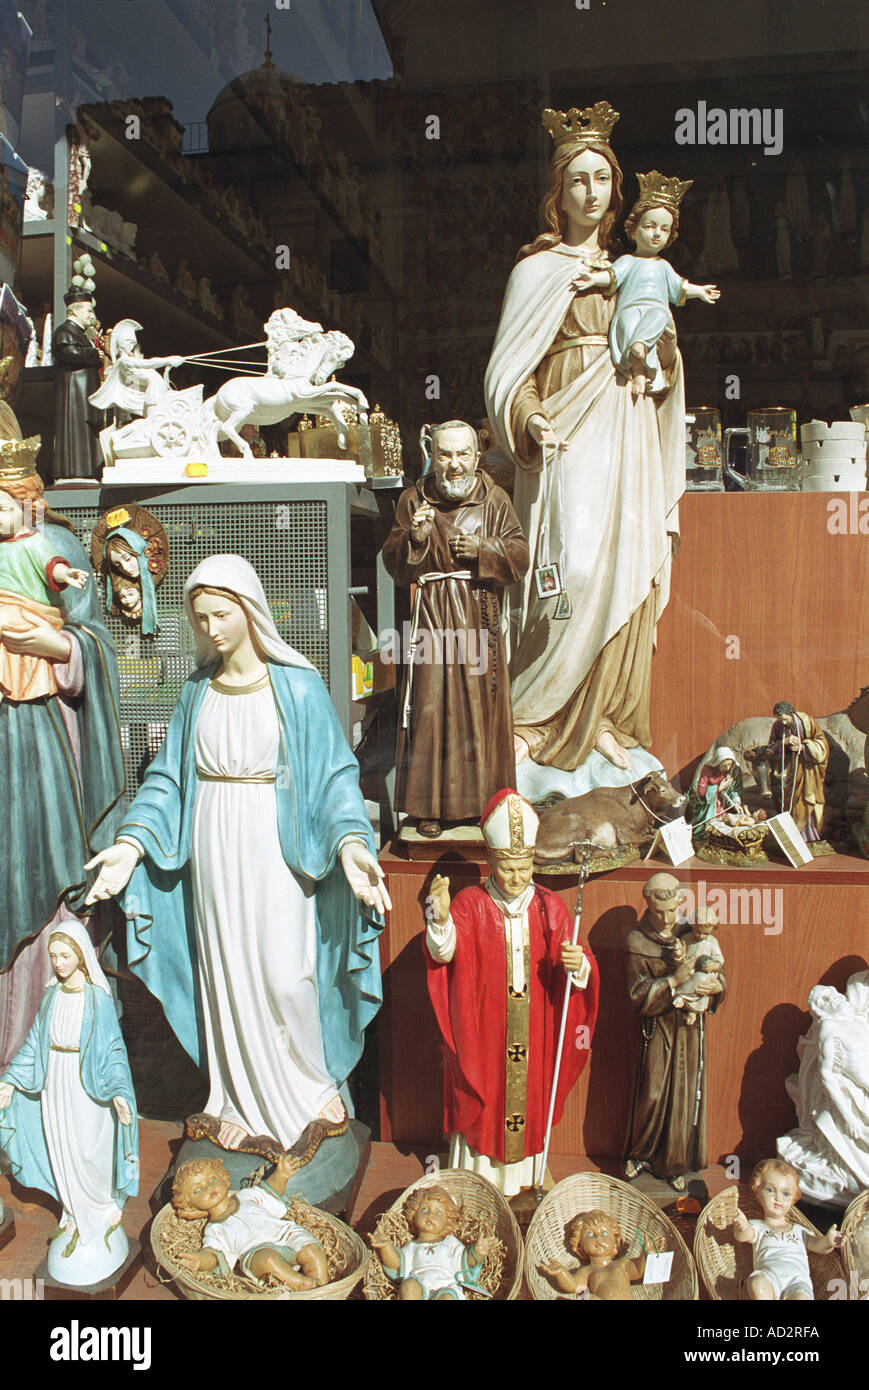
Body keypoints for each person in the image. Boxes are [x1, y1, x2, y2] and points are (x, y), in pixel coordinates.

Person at [84, 555, 389, 1156]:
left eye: (222, 614)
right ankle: (234, 1099)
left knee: (284, 972)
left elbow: (333, 779)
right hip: (213, 844)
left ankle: (309, 1088)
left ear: (251, 612)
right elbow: (167, 779)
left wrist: (353, 847)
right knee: (225, 971)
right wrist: (129, 843)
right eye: (200, 619)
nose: (212, 628)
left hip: (275, 847)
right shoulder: (197, 692)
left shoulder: (296, 688)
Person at [484, 102, 685, 779]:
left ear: (614, 190)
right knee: (566, 570)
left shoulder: (636, 267)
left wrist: (658, 353)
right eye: (577, 179)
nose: (590, 191)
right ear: (557, 192)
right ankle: (532, 720)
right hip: (565, 434)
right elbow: (510, 371)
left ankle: (601, 720)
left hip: (625, 423)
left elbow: (665, 357)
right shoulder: (536, 272)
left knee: (625, 562)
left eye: (601, 178)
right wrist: (531, 416)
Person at [0, 449, 124, 1068]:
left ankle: (44, 1065)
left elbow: (97, 642)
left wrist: (54, 644)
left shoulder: (56, 549)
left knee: (41, 873)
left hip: (40, 738)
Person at [425, 788, 599, 1196]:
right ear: (491, 861)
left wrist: (580, 966)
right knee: (486, 1097)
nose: (517, 877)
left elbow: (575, 962)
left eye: (524, 868)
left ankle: (526, 1178)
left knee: (528, 1097)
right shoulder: (470, 903)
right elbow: (443, 952)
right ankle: (480, 1180)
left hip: (534, 1028)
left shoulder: (549, 906)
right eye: (507, 869)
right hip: (486, 1031)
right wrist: (440, 917)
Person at [380, 420, 529, 837]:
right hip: (431, 615)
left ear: (477, 456)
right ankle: (429, 808)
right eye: (445, 454)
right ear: (432, 454)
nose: (454, 464)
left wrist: (483, 549)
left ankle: (485, 803)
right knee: (429, 707)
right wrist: (416, 537)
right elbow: (392, 561)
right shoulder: (414, 498)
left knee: (479, 709)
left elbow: (519, 556)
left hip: (478, 614)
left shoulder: (495, 499)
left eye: (463, 454)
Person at [0, 921, 138, 1285]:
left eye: (65, 955)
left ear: (80, 956)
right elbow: (33, 1043)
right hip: (55, 1083)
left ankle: (99, 1210)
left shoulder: (97, 998)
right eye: (53, 956)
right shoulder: (52, 995)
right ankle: (75, 1214)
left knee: (87, 1151)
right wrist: (11, 1081)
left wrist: (121, 1094)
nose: (59, 963)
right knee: (61, 1148)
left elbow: (112, 1051)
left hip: (88, 1087)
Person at [572, 173, 720, 396]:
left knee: (659, 317)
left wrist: (699, 291)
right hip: (630, 310)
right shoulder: (628, 261)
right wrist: (593, 278)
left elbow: (679, 287)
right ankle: (639, 371)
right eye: (650, 226)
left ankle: (640, 355)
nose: (656, 234)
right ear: (633, 229)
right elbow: (612, 276)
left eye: (664, 229)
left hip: (655, 312)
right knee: (629, 323)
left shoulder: (663, 267)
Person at [624, 873, 726, 1191]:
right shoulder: (637, 941)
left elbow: (721, 972)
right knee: (652, 1093)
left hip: (689, 1028)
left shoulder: (692, 931)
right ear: (648, 906)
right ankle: (640, 1154)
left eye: (672, 910)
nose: (667, 919)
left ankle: (676, 1164)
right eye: (659, 912)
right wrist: (674, 981)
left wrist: (716, 985)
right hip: (657, 1029)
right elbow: (636, 995)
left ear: (680, 903)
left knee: (684, 1094)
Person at [171, 1154, 328, 1290]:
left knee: (311, 1251)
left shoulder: (246, 1196)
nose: (208, 1187)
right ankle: (299, 1284)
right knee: (266, 1260)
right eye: (197, 1190)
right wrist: (199, 1260)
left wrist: (282, 1174)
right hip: (257, 1251)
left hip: (286, 1235)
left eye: (212, 1179)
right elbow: (213, 1255)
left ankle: (324, 1289)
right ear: (189, 1205)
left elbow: (271, 1190)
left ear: (223, 1178)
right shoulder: (215, 1230)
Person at [0, 485, 89, 699]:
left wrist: (66, 574)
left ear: (26, 509)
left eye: (4, 509)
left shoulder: (35, 542)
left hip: (30, 612)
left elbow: (50, 564)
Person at [733, 1158, 840, 1301]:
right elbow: (743, 1235)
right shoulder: (758, 1226)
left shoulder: (800, 1231)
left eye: (786, 1194)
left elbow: (819, 1246)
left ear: (793, 1198)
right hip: (769, 1278)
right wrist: (742, 1226)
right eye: (771, 1190)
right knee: (756, 1282)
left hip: (797, 1283)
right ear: (758, 1192)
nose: (778, 1198)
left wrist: (828, 1241)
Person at [371, 1184, 494, 1301]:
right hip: (419, 1285)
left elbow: (466, 1261)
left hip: (446, 1286)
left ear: (448, 1220)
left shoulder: (450, 1243)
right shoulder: (411, 1247)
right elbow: (397, 1266)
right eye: (424, 1209)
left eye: (438, 1213)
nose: (430, 1214)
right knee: (408, 1286)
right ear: (413, 1214)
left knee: (447, 1298)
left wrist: (478, 1252)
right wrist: (385, 1247)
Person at [540, 1208, 654, 1299]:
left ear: (615, 1241)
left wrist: (647, 1254)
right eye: (590, 1235)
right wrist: (561, 1273)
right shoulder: (587, 1271)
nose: (598, 1238)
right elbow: (574, 1285)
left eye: (604, 1234)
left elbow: (639, 1271)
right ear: (581, 1245)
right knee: (585, 1295)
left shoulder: (623, 1263)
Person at [51, 289, 102, 483]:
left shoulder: (81, 334)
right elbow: (71, 354)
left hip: (83, 392)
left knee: (85, 429)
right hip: (73, 394)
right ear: (75, 311)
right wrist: (94, 354)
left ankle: (86, 470)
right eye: (88, 310)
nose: (92, 315)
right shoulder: (65, 332)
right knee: (74, 430)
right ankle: (72, 472)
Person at [762, 701, 828, 842]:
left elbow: (821, 744)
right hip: (787, 772)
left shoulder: (806, 722)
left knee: (805, 801)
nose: (784, 723)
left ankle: (809, 836)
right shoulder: (778, 726)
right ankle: (793, 836)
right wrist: (783, 742)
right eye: (780, 720)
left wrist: (803, 748)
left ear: (791, 713)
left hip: (807, 771)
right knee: (789, 803)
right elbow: (770, 749)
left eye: (785, 719)